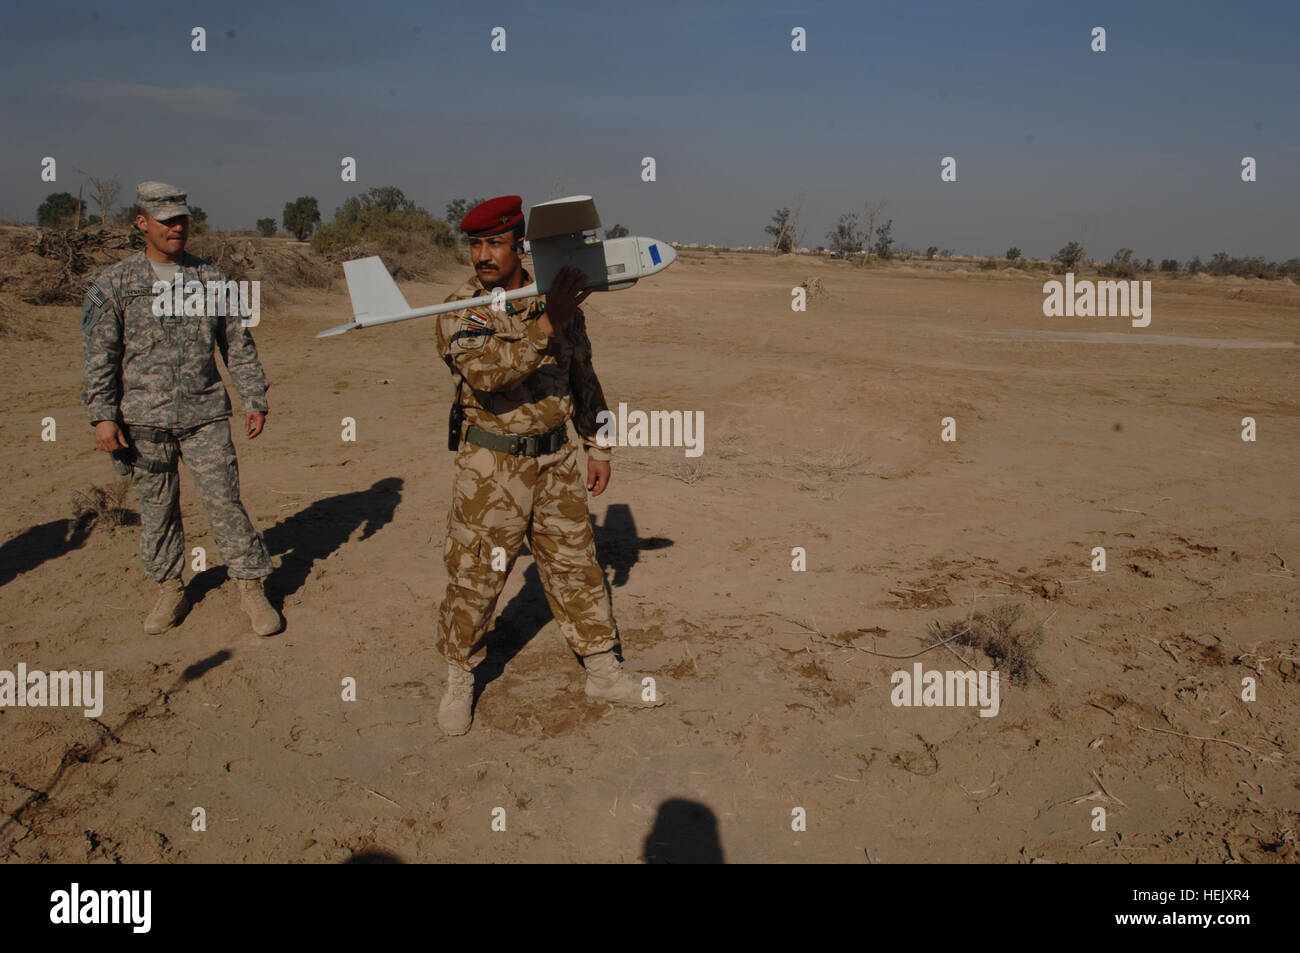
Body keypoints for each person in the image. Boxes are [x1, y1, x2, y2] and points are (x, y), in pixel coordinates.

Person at [435, 194, 664, 735]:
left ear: (521, 247)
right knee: (476, 578)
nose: (483, 255)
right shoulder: (458, 310)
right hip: (491, 469)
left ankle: (604, 672)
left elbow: (586, 380)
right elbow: (489, 375)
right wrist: (545, 327)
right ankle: (459, 681)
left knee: (577, 569)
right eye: (475, 244)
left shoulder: (560, 304)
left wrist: (600, 446)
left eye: (495, 243)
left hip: (557, 463)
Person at [81, 181, 281, 637]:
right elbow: (100, 356)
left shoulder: (212, 279)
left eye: (182, 219)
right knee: (157, 510)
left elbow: (237, 344)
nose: (176, 227)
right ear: (142, 223)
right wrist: (103, 415)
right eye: (166, 220)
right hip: (142, 420)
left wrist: (253, 398)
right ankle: (170, 586)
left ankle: (251, 585)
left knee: (225, 502)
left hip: (204, 415)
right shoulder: (115, 283)